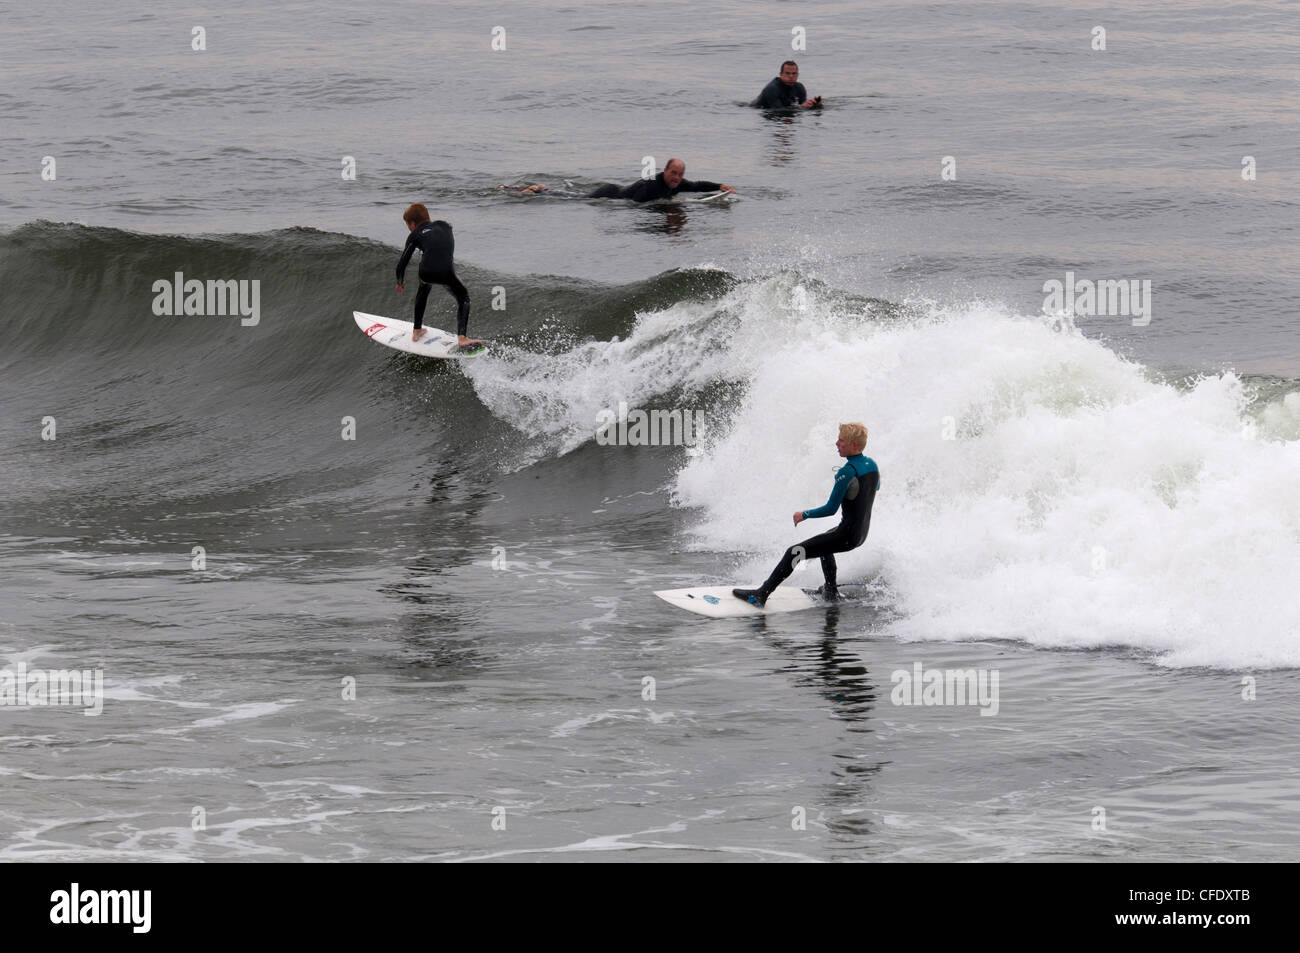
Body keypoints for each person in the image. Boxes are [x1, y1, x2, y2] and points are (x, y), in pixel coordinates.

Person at [733, 423, 879, 607]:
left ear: (854, 445)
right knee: (825, 543)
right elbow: (873, 488)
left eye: (841, 440)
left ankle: (761, 595)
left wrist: (804, 514)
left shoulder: (847, 472)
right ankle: (831, 591)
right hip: (860, 533)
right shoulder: (872, 465)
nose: (837, 443)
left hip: (847, 535)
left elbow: (830, 509)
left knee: (794, 552)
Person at [395, 203, 482, 348]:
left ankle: (417, 331)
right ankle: (462, 338)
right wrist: (453, 274)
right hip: (446, 271)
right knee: (463, 298)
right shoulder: (445, 226)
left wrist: (400, 281)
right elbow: (444, 249)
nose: (408, 228)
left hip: (426, 271)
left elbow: (402, 262)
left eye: (407, 225)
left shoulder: (414, 235)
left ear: (412, 223)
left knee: (423, 289)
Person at [506, 159, 737, 202]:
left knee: (573, 197)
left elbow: (696, 186)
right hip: (609, 194)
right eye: (673, 173)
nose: (677, 178)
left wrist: (719, 186)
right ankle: (539, 191)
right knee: (573, 199)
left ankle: (543, 189)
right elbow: (635, 204)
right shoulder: (652, 186)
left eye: (680, 174)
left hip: (615, 191)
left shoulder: (678, 184)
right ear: (665, 171)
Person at [752, 60, 822, 109]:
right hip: (758, 111)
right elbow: (778, 111)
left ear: (798, 75)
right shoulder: (772, 89)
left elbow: (802, 105)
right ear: (781, 74)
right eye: (787, 73)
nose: (791, 76)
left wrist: (814, 104)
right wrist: (801, 107)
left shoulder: (799, 87)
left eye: (794, 73)